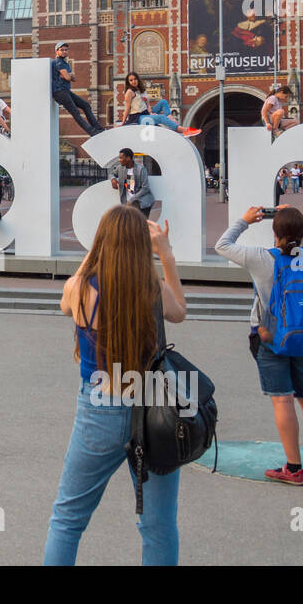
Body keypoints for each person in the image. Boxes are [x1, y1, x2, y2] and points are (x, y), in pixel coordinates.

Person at [44, 206, 187, 565]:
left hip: (99, 406)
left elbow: (65, 302)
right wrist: (165, 254)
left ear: (101, 241)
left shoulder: (82, 289)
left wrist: (97, 249)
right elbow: (180, 311)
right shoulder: (151, 288)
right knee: (158, 526)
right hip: (153, 408)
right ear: (142, 245)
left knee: (68, 518)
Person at [215, 204, 303, 485]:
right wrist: (299, 217)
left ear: (274, 231)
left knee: (283, 400)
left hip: (271, 338)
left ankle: (294, 468)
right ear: (302, 231)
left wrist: (244, 221)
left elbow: (223, 244)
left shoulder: (260, 258)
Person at [50, 42, 104, 136]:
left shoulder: (64, 63)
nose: (64, 52)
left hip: (65, 91)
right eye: (62, 50)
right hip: (60, 92)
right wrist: (68, 76)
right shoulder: (58, 62)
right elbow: (68, 78)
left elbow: (74, 78)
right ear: (56, 51)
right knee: (75, 112)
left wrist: (68, 75)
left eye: (66, 50)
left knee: (86, 105)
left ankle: (98, 128)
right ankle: (92, 132)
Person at [109, 147, 155, 219]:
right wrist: (113, 179)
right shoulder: (120, 168)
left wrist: (131, 200)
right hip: (127, 203)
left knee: (141, 227)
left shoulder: (141, 169)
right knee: (129, 227)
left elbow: (145, 188)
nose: (119, 160)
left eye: (121, 158)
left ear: (128, 158)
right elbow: (111, 174)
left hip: (141, 203)